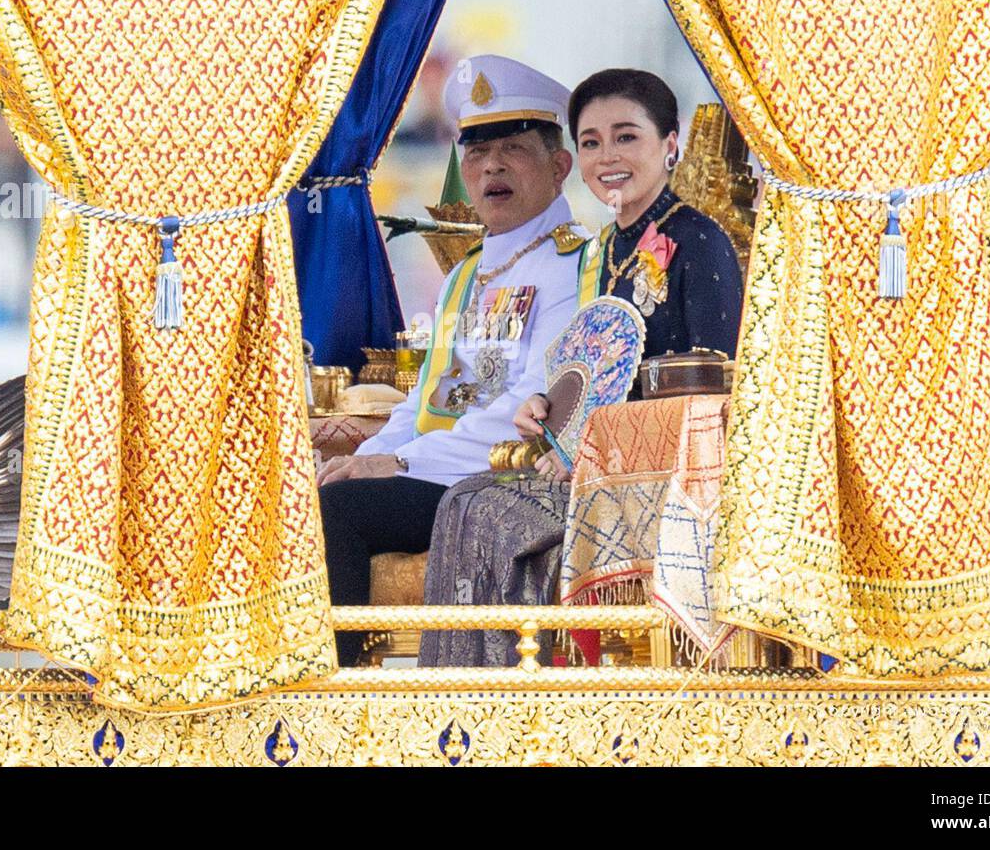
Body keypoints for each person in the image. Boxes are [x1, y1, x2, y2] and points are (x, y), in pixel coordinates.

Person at [419, 69, 746, 667]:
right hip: (594, 471)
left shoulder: (699, 242)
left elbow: (715, 397)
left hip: (664, 484)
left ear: (669, 144)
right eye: (592, 142)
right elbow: (589, 374)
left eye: (627, 137)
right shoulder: (603, 250)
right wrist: (544, 412)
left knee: (487, 510)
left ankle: (526, 692)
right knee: (464, 501)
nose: (608, 157)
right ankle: (472, 702)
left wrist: (599, 451)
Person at [316, 55, 601, 665]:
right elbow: (424, 402)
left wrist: (399, 463)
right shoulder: (467, 273)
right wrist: (367, 459)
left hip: (497, 481)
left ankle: (333, 694)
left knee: (336, 514)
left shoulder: (578, 265)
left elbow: (533, 405)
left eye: (512, 148)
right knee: (319, 490)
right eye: (474, 150)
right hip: (433, 472)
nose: (491, 165)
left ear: (560, 166)